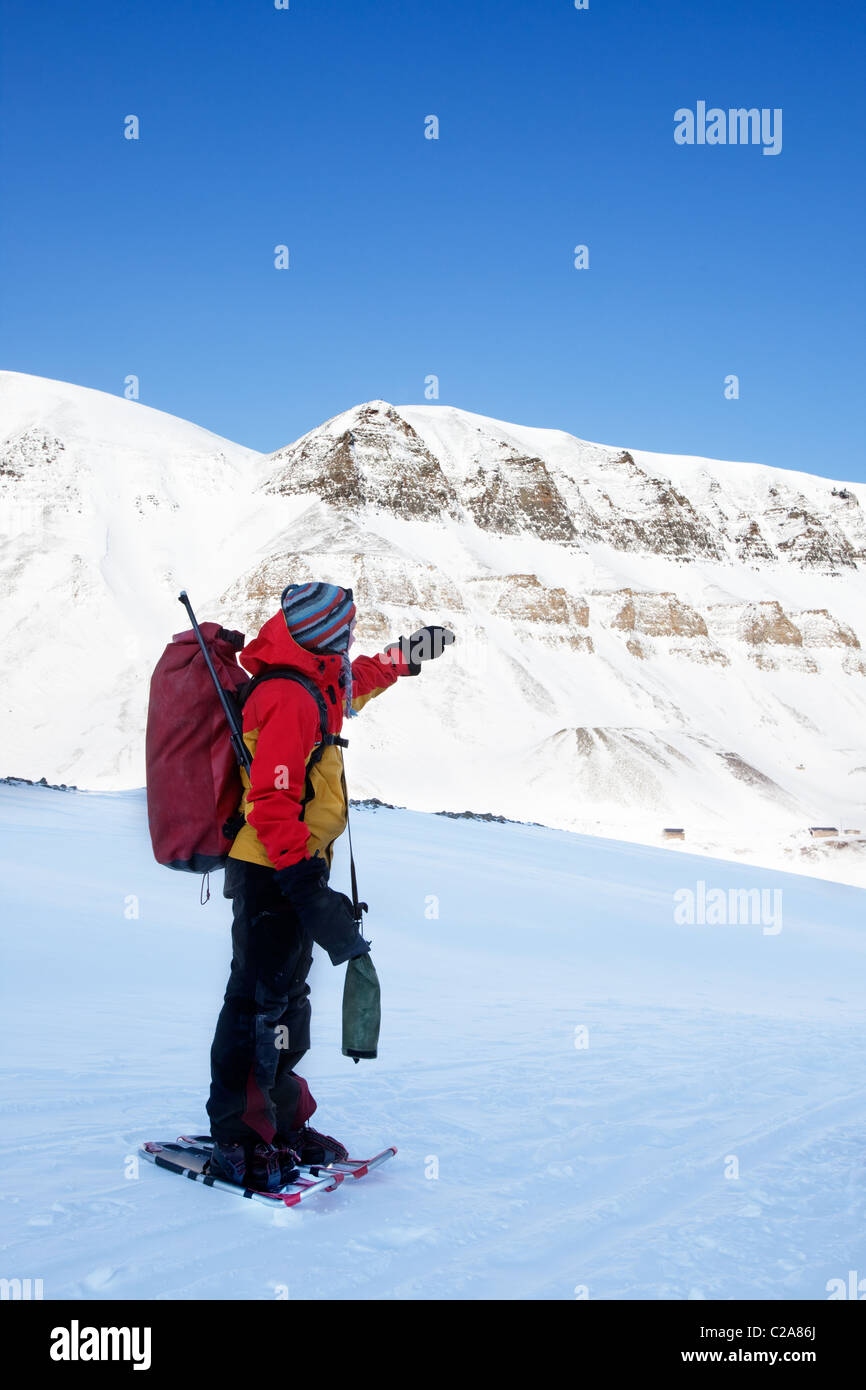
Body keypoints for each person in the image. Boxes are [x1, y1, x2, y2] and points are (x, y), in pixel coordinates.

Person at [206, 581, 454, 1189]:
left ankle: (284, 1122)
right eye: (343, 631)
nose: (348, 643)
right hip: (272, 867)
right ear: (322, 634)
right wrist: (301, 881)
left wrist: (406, 655)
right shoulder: (289, 697)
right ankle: (238, 1138)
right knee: (255, 1005)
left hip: (296, 863)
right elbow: (270, 800)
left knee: (289, 1002)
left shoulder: (317, 682)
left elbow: (358, 679)